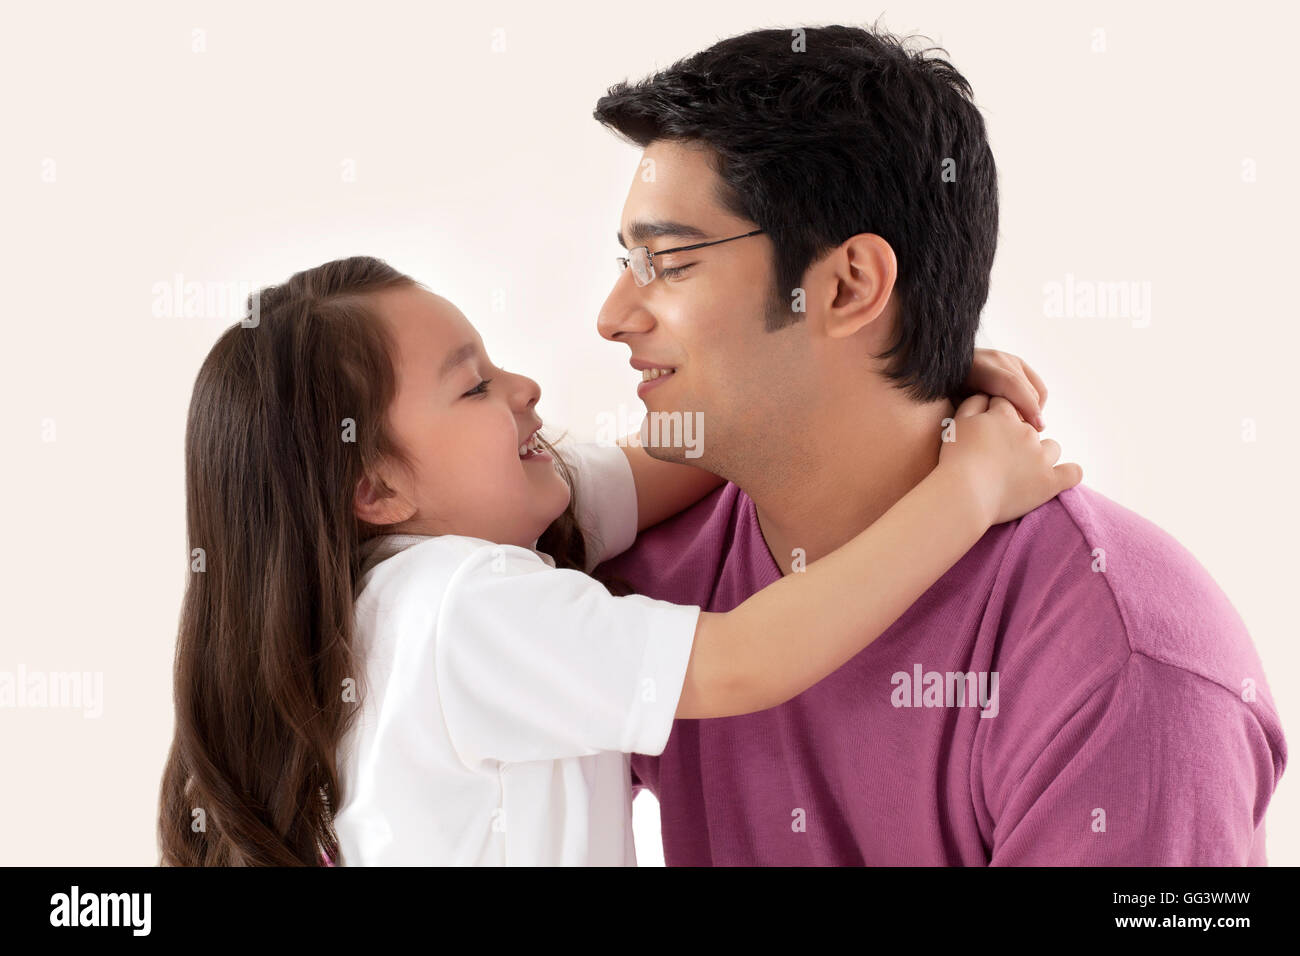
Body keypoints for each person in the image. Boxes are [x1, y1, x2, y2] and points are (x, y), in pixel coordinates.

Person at [592, 24, 1286, 865]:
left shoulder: (1123, 667)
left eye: (668, 262)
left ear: (847, 287)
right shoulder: (633, 584)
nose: (613, 317)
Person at [157, 255, 1077, 866]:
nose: (526, 389)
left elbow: (679, 454)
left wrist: (897, 385)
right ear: (377, 492)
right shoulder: (462, 603)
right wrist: (972, 489)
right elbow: (742, 660)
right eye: (474, 386)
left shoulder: (421, 567)